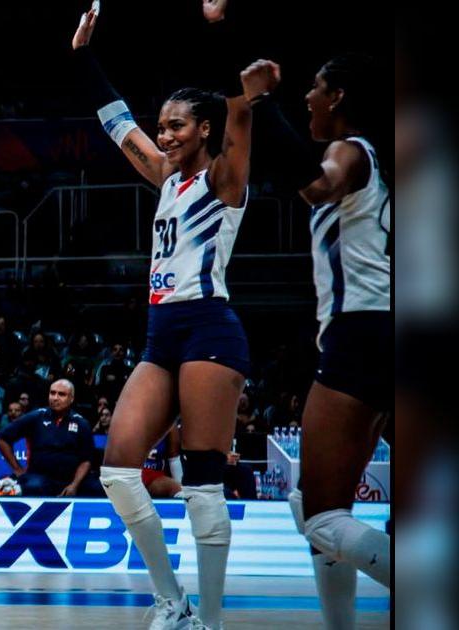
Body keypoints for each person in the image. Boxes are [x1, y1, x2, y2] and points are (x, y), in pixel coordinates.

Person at [70, 2, 256, 626]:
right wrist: (84, 58)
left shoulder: (225, 181)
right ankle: (170, 600)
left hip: (209, 328)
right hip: (161, 333)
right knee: (119, 472)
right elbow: (119, 126)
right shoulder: (166, 179)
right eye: (164, 126)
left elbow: (240, 112)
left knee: (203, 488)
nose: (166, 135)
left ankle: (210, 618)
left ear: (205, 129)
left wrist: (219, 29)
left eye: (178, 126)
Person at [241, 52, 391, 626]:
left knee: (319, 514)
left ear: (339, 99)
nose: (308, 97)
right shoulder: (378, 158)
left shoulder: (350, 152)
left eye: (316, 88)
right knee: (320, 504)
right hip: (371, 331)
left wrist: (259, 102)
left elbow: (315, 185)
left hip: (363, 331)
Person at [0, 380, 98, 497]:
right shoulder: (36, 416)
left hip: (71, 479)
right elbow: (1, 438)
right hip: (39, 477)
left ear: (71, 398)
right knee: (34, 486)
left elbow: (86, 460)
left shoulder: (81, 423)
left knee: (96, 487)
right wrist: (17, 469)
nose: (55, 398)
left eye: (61, 394)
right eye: (52, 393)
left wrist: (74, 485)